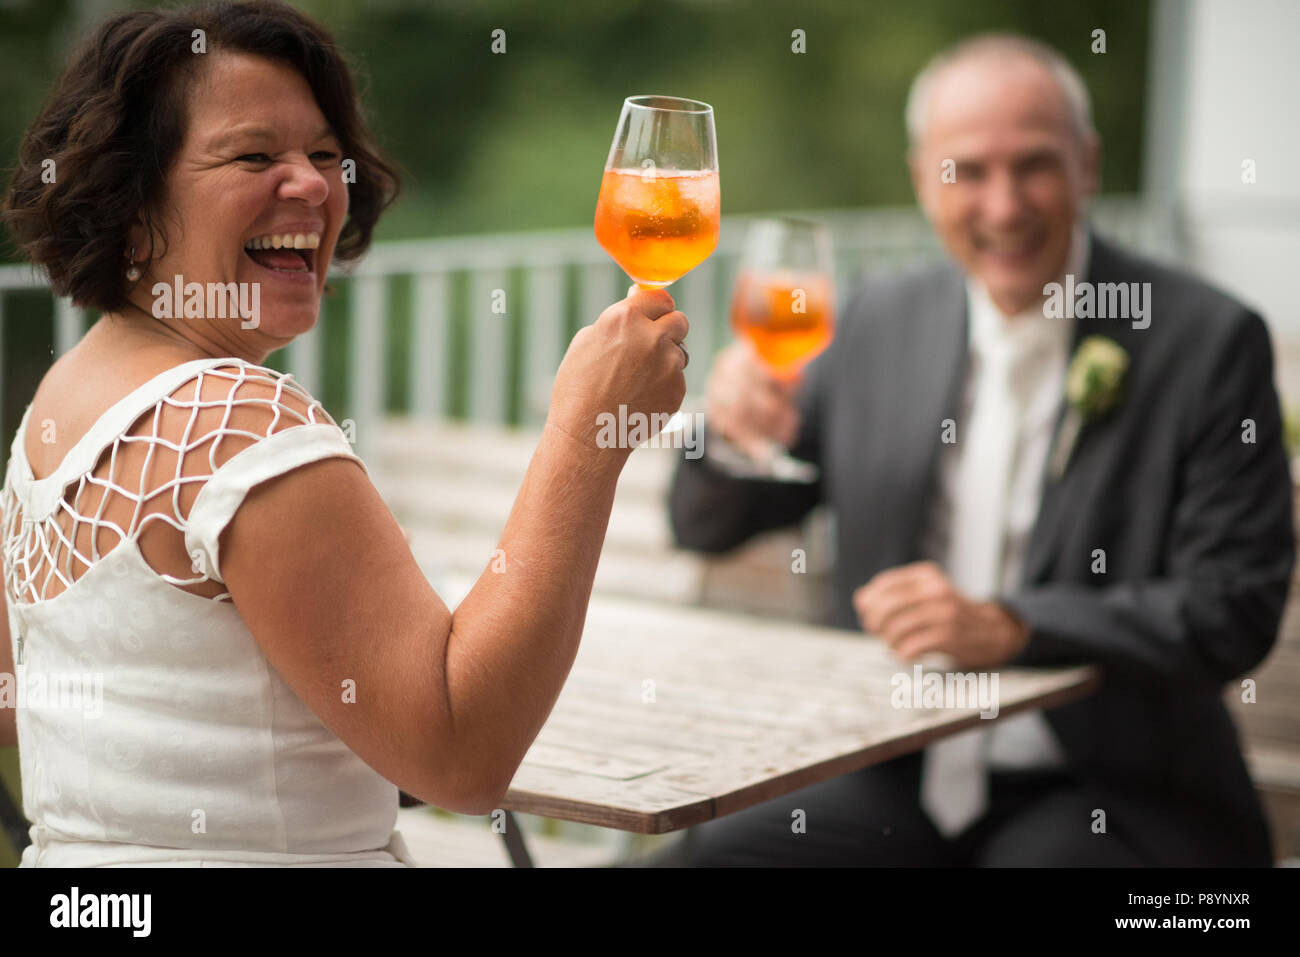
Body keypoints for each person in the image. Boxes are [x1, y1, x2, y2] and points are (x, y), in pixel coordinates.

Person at [0, 0, 688, 866]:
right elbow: (462, 761)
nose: (316, 185)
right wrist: (588, 435)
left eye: (325, 155)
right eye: (255, 154)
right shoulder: (237, 425)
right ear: (130, 201)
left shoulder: (66, 401)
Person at [667, 33, 1294, 866]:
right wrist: (726, 430)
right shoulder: (873, 322)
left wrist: (1013, 625)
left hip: (1116, 789)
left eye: (1033, 165)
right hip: (886, 768)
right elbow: (705, 524)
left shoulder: (1207, 340)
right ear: (924, 180)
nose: (1003, 207)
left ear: (1088, 165)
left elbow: (1233, 608)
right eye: (968, 171)